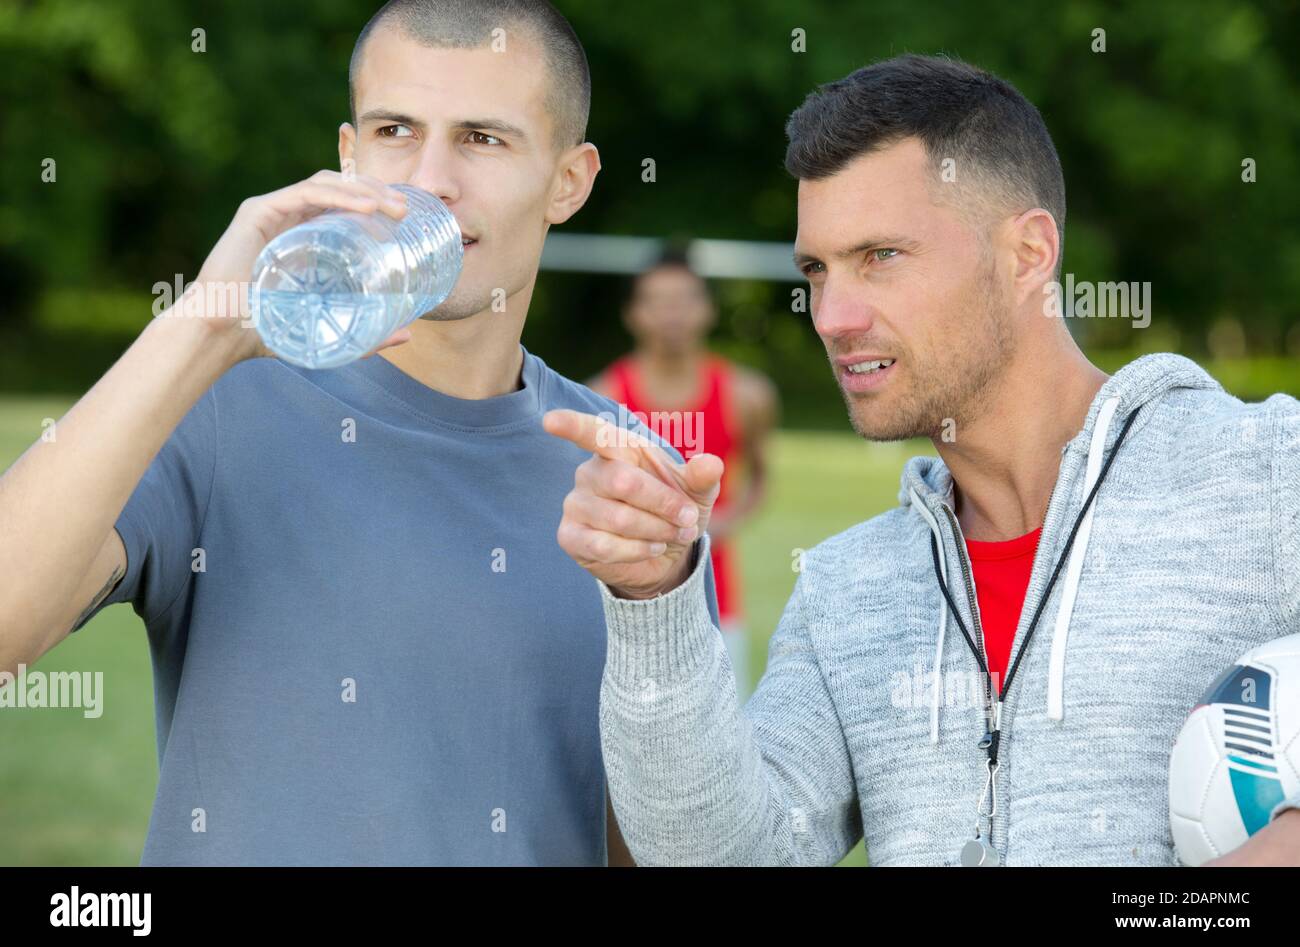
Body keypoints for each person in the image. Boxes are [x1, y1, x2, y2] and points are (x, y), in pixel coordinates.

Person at [0, 0, 716, 866]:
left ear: (570, 179)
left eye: (484, 139)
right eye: (396, 130)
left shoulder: (630, 481)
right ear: (348, 154)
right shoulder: (220, 403)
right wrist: (204, 326)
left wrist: (652, 599)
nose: (431, 179)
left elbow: (657, 847)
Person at [544, 54, 1300, 865]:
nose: (831, 316)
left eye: (881, 257)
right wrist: (653, 596)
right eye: (816, 270)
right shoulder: (847, 593)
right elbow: (717, 858)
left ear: (1028, 253)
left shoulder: (1266, 475)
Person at [588, 251, 777, 699]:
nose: (672, 314)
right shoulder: (603, 398)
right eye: (658, 301)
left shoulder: (746, 395)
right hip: (624, 602)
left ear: (708, 308)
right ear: (633, 313)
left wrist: (727, 521)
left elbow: (761, 478)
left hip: (717, 598)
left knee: (724, 740)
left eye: (685, 299)